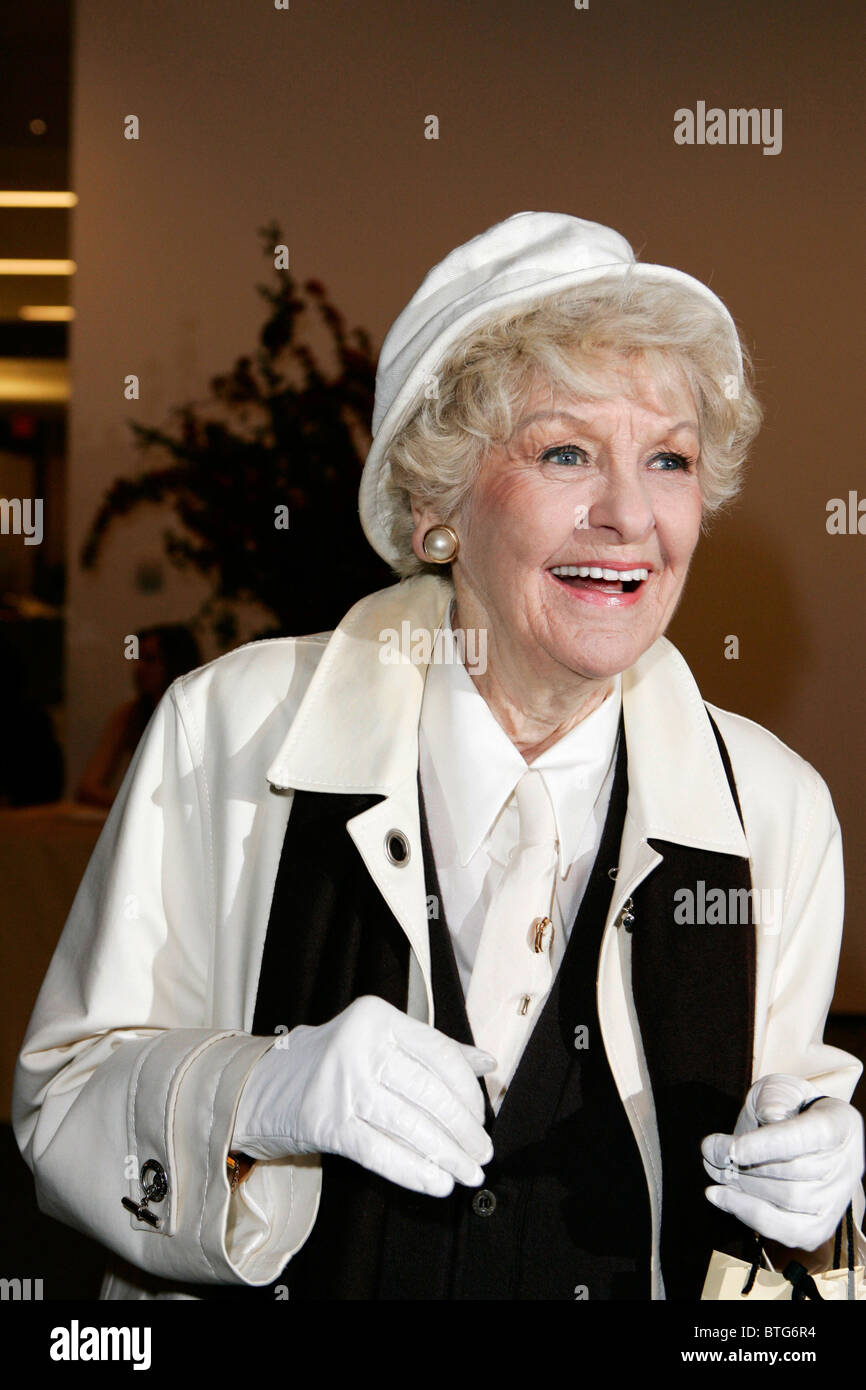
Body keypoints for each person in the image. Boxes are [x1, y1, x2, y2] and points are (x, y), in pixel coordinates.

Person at [12, 212, 865, 1300]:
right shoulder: (226, 732)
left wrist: (821, 1215)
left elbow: (779, 1249)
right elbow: (64, 1104)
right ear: (436, 504)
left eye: (668, 459)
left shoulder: (772, 814)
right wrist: (257, 1093)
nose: (628, 516)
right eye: (564, 452)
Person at [75, 624, 202, 808]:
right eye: (138, 658)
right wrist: (138, 807)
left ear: (174, 663)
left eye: (150, 659)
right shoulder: (130, 715)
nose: (139, 668)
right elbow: (88, 787)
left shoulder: (197, 713)